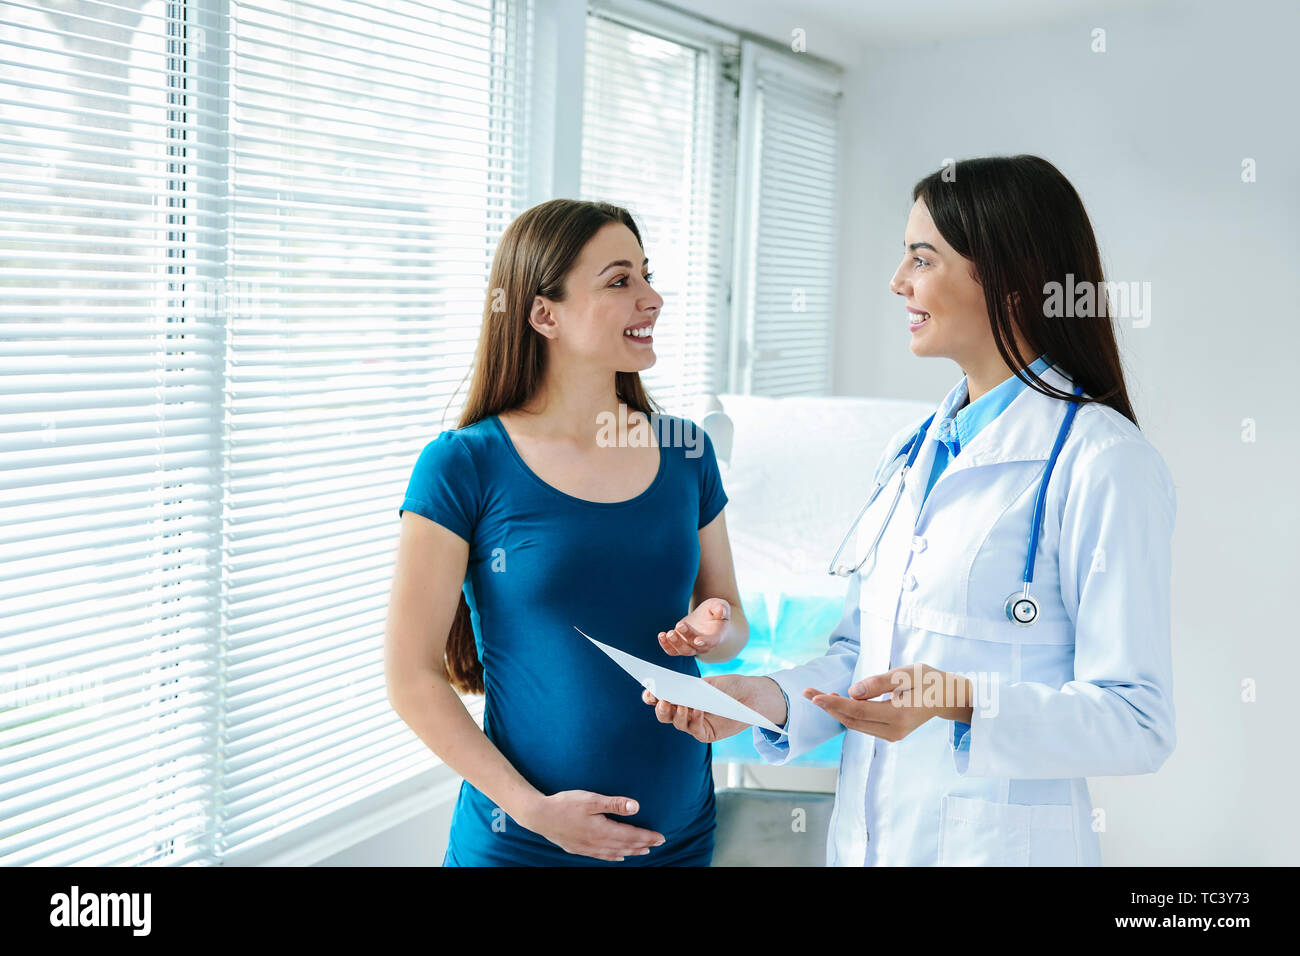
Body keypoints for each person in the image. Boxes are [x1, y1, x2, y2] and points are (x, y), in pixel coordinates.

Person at [644, 155, 1177, 866]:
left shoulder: (1101, 460)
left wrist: (959, 699)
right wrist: (760, 697)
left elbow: (1137, 722)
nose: (898, 281)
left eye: (921, 259)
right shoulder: (913, 451)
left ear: (1011, 281)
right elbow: (861, 657)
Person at [385, 198, 749, 866]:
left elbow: (730, 629)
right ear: (542, 313)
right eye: (620, 282)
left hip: (680, 841)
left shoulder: (686, 452)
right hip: (523, 847)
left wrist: (716, 626)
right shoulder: (463, 465)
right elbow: (410, 677)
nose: (653, 298)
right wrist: (536, 814)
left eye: (647, 275)